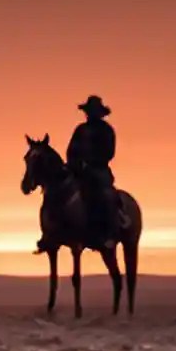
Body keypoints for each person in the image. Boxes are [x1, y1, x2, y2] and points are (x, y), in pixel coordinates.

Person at [66, 95, 119, 249]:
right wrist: (73, 164)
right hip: (78, 170)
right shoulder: (80, 130)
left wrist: (91, 162)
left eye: (93, 111)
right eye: (89, 111)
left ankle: (109, 231)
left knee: (104, 195)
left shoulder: (106, 130)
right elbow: (71, 150)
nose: (90, 114)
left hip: (99, 170)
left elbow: (109, 152)